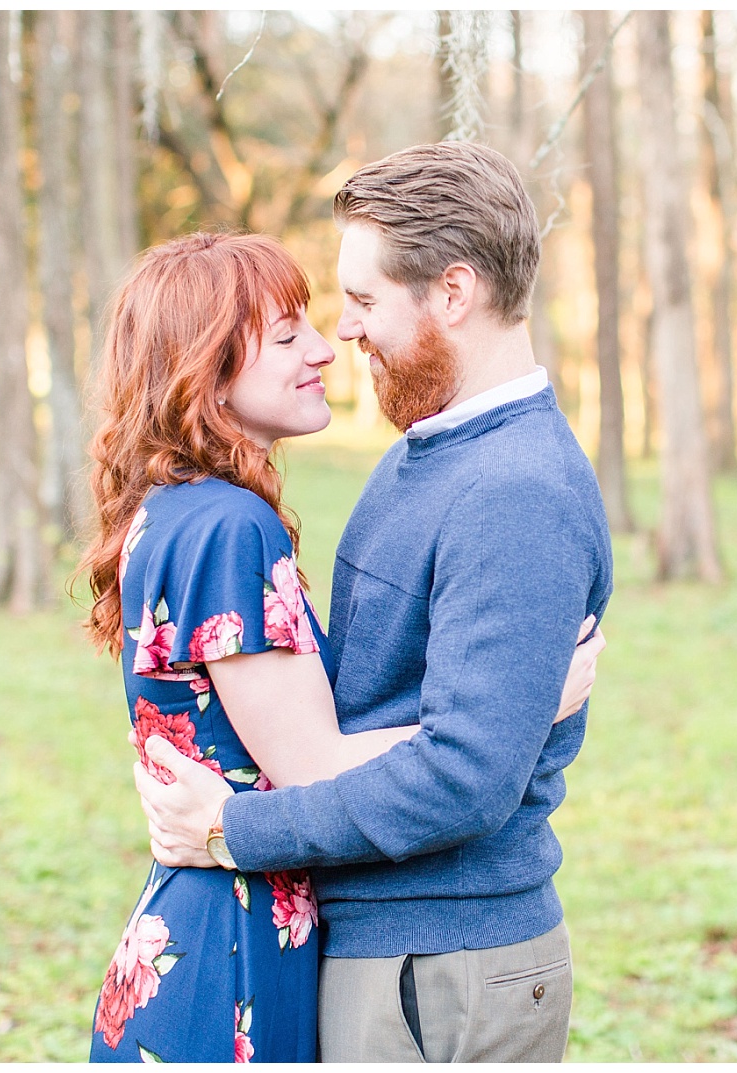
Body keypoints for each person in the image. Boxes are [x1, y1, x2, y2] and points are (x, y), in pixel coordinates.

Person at [135, 142, 615, 1063]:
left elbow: (467, 777)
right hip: (383, 942)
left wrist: (234, 829)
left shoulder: (514, 491)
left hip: (444, 960)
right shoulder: (420, 458)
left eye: (362, 300)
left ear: (452, 292)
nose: (342, 331)